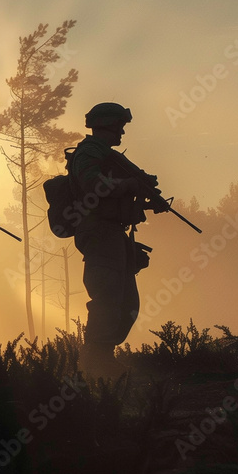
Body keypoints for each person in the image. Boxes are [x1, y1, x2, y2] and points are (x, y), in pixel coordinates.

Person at [70, 102, 157, 374]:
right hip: (98, 232)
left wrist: (145, 195)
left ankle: (102, 357)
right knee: (107, 296)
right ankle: (95, 362)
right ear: (106, 124)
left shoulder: (108, 155)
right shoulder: (89, 153)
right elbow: (93, 185)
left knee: (127, 303)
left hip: (113, 232)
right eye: (119, 126)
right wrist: (129, 185)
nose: (122, 132)